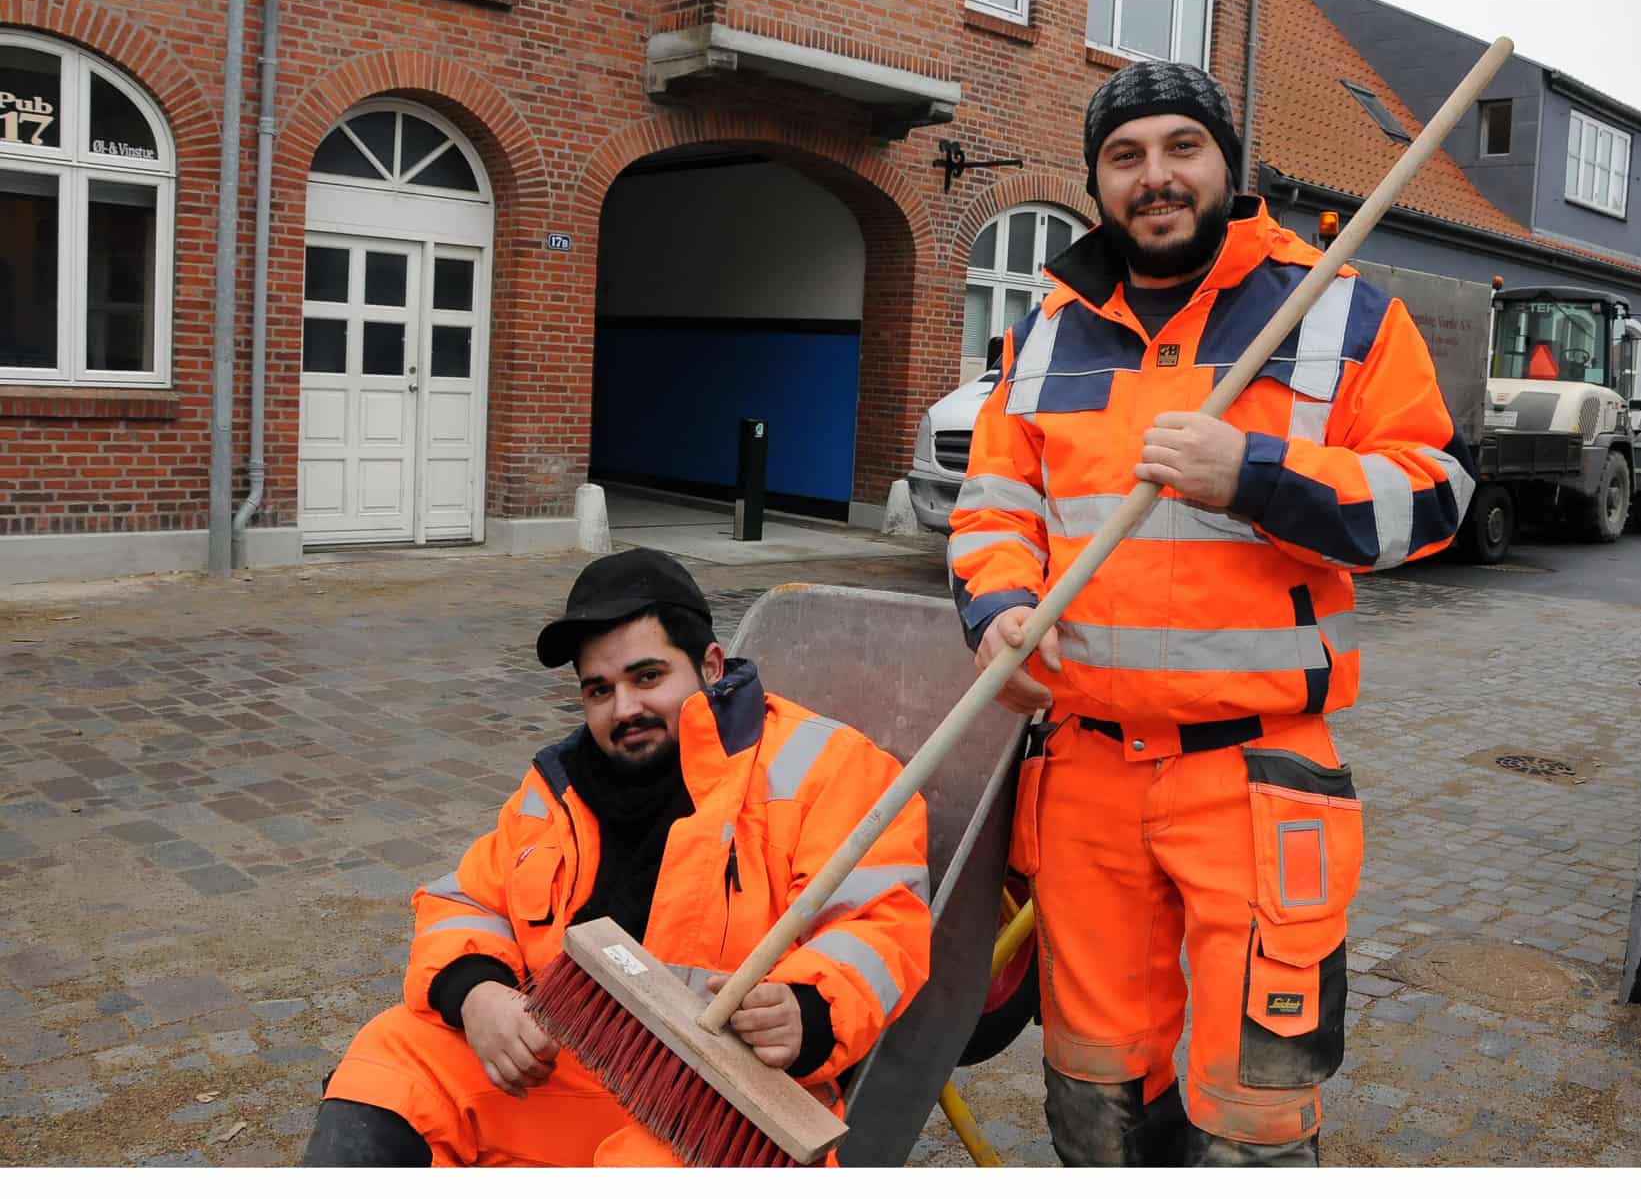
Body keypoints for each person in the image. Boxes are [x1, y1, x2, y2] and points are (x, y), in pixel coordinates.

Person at [949, 61, 1473, 1167]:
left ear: (1229, 163)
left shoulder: (1331, 310)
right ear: (1097, 181)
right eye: (1125, 156)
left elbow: (1436, 496)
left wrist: (1258, 473)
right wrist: (997, 611)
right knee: (1094, 1086)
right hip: (1086, 772)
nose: (1157, 178)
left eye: (1182, 147)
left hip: (1255, 778)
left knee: (1252, 1105)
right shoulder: (1047, 331)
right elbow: (995, 507)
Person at [301, 548, 931, 1167]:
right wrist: (478, 995)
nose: (624, 708)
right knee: (393, 1053)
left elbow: (880, 922)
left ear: (711, 665)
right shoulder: (556, 787)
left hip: (723, 1099)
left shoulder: (830, 767)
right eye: (598, 690)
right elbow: (466, 900)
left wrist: (807, 1010)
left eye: (647, 677)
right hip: (568, 1064)